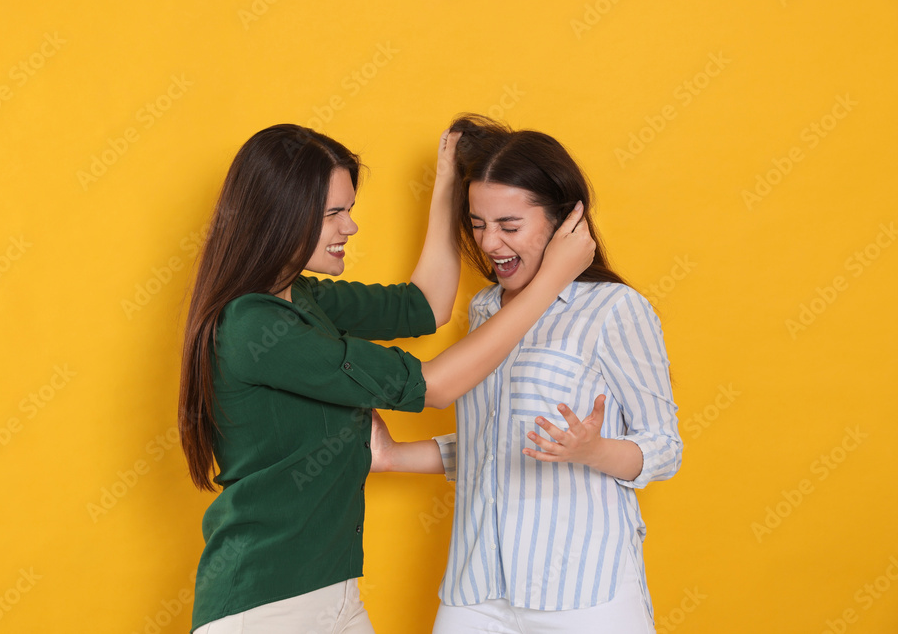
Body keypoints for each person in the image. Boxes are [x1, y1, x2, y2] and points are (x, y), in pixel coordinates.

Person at [178, 123, 597, 633]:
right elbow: (434, 386)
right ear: (280, 215)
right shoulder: (255, 326)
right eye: (334, 213)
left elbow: (425, 305)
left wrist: (447, 185)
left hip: (333, 595)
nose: (349, 227)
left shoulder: (301, 297)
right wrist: (553, 279)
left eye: (347, 210)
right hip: (265, 606)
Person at [370, 114, 682, 634]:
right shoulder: (486, 308)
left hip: (585, 590)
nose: (491, 244)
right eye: (477, 224)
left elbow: (664, 448)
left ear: (564, 221)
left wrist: (591, 450)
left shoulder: (614, 309)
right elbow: (493, 441)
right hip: (477, 584)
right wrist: (393, 457)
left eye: (509, 226)